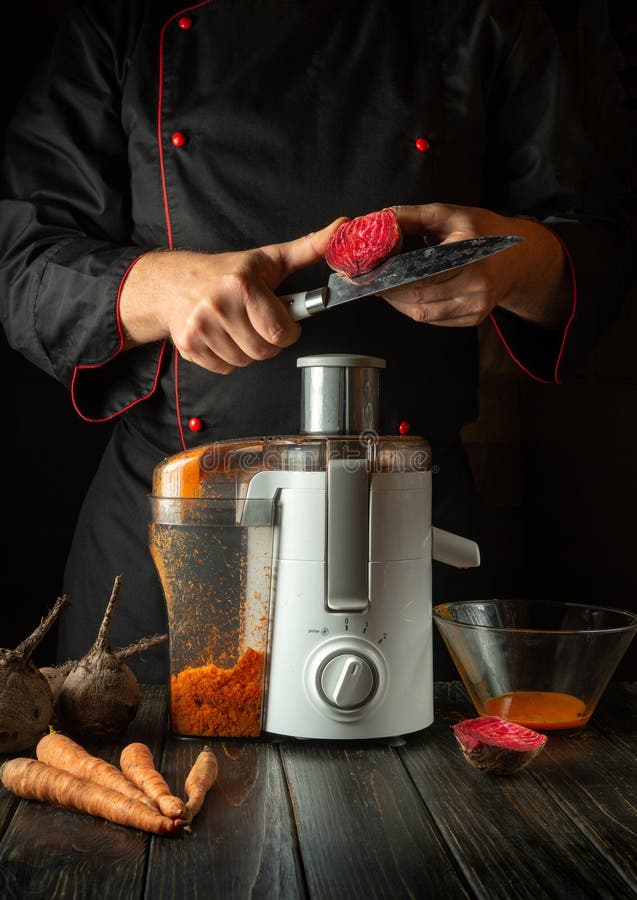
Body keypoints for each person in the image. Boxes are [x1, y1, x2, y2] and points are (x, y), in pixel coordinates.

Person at [0, 0, 632, 683]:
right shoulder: (125, 17)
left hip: (408, 527)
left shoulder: (486, 14)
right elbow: (24, 264)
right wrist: (165, 286)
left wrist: (514, 264)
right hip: (173, 530)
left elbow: (590, 246)